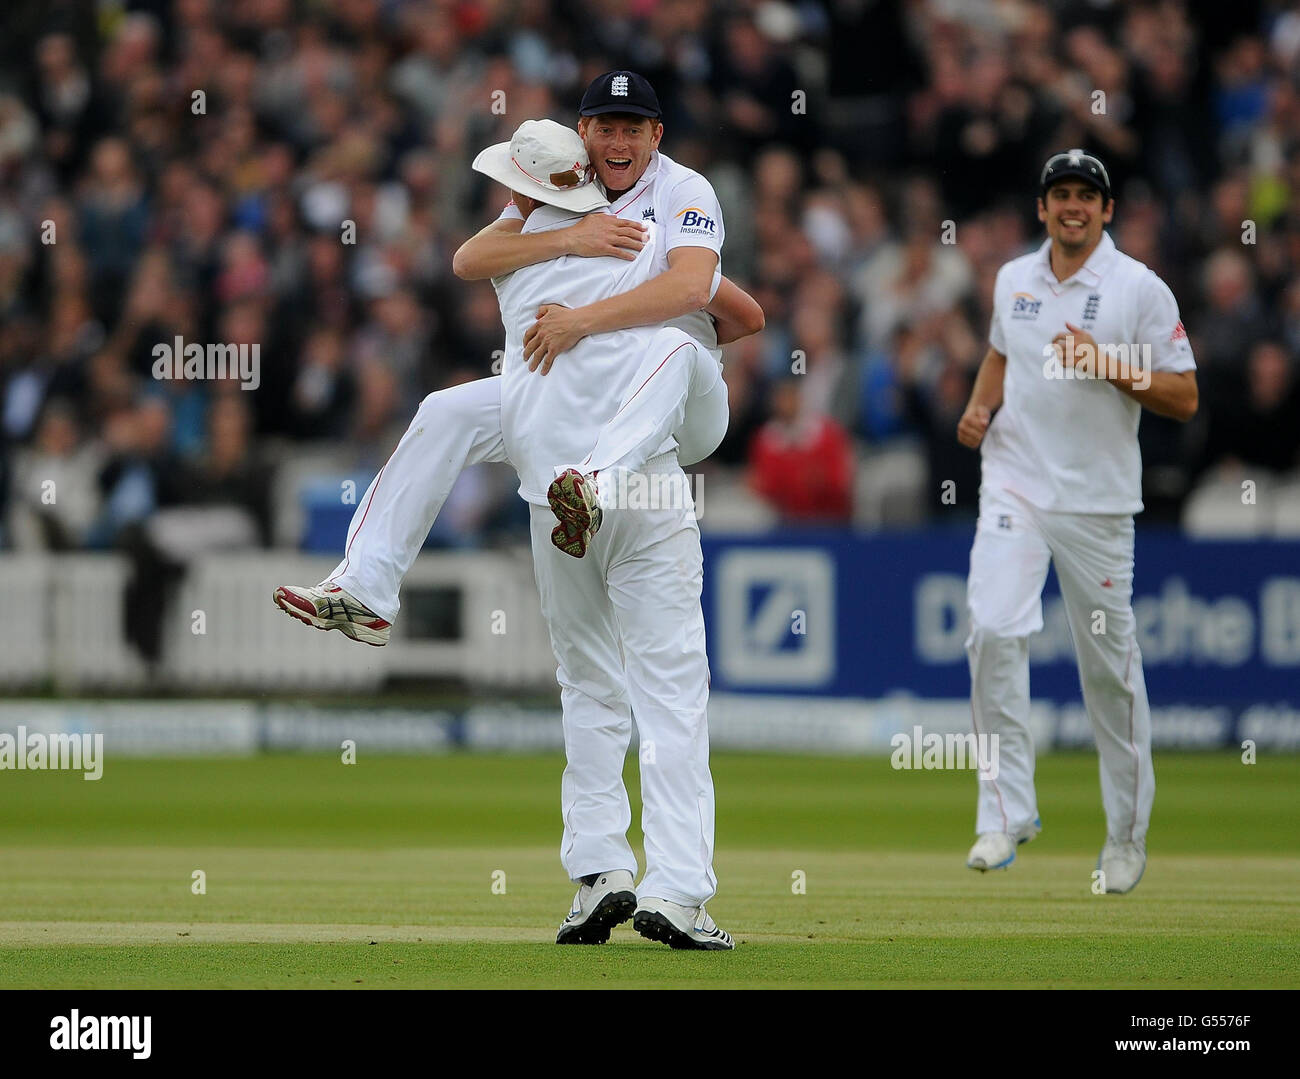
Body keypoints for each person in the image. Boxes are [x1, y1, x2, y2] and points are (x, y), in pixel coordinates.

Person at [276, 119, 761, 948]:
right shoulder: (613, 231)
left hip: (594, 457)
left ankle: (601, 867)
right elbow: (741, 309)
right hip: (616, 473)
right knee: (663, 696)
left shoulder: (534, 233)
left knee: (589, 682)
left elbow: (468, 259)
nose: (509, 196)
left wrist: (607, 314)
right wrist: (657, 294)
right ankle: (667, 890)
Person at [273, 70, 754, 639]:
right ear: (584, 134)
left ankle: (595, 483)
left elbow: (739, 312)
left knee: (673, 347)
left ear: (657, 135)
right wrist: (571, 239)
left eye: (633, 130)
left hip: (686, 408)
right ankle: (365, 586)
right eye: (607, 129)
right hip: (585, 396)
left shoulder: (678, 197)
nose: (619, 144)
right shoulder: (559, 202)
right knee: (444, 411)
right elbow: (466, 260)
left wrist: (592, 325)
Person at [956, 149, 1198, 894]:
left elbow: (1184, 396)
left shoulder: (1139, 290)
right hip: (1015, 485)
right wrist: (979, 403)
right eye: (1060, 194)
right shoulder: (1014, 279)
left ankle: (1125, 837)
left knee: (1110, 675)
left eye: (1085, 197)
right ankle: (1005, 813)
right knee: (993, 629)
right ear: (1042, 208)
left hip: (1096, 504)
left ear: (1106, 210)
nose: (1072, 206)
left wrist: (1110, 365)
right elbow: (1001, 353)